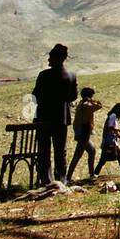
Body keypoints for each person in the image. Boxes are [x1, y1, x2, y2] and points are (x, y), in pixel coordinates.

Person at [32, 44, 77, 185]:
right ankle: (61, 179)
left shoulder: (44, 75)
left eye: (50, 57)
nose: (48, 60)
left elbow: (35, 96)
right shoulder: (71, 75)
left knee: (44, 150)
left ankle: (46, 179)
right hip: (61, 118)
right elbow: (73, 96)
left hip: (43, 118)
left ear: (55, 58)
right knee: (60, 150)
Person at [66, 86, 102, 182]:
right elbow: (99, 106)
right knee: (77, 155)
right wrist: (92, 100)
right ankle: (68, 177)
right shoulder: (86, 105)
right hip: (84, 133)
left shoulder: (81, 103)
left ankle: (91, 174)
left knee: (92, 151)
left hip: (81, 131)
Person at [96, 103, 120, 177]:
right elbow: (110, 127)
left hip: (111, 140)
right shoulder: (113, 116)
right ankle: (95, 174)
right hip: (109, 141)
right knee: (103, 159)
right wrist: (119, 131)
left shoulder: (112, 116)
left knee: (119, 157)